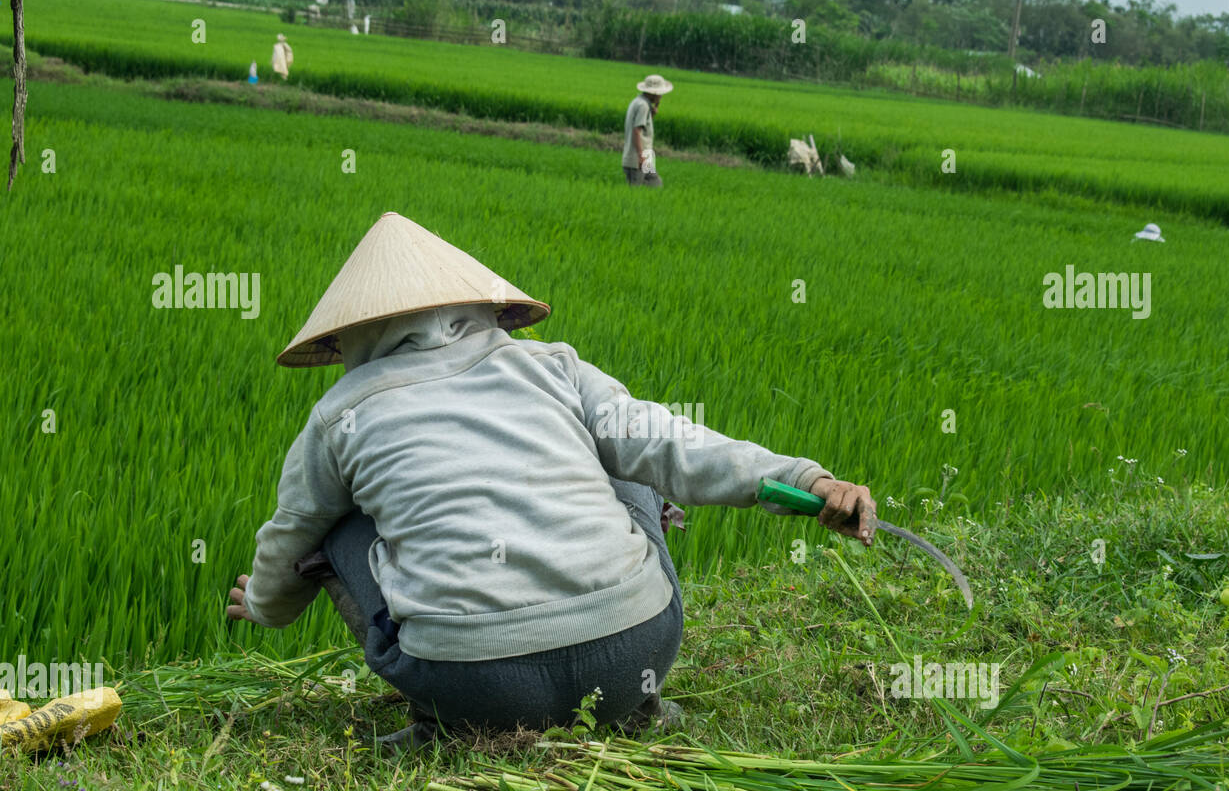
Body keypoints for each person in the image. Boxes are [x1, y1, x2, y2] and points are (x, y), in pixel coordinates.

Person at [226, 211, 877, 744]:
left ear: (355, 334)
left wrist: (265, 604)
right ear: (475, 306)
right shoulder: (553, 367)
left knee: (332, 519)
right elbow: (672, 441)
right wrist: (805, 481)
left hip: (474, 685)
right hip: (636, 657)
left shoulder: (341, 413)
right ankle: (640, 712)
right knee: (628, 453)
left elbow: (289, 535)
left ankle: (440, 726)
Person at [623, 74, 672, 188]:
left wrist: (651, 115)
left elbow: (641, 127)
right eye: (660, 93)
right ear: (653, 93)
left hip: (645, 157)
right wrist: (640, 156)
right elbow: (636, 131)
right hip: (637, 159)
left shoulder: (639, 102)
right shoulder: (643, 106)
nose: (661, 96)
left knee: (656, 184)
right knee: (635, 191)